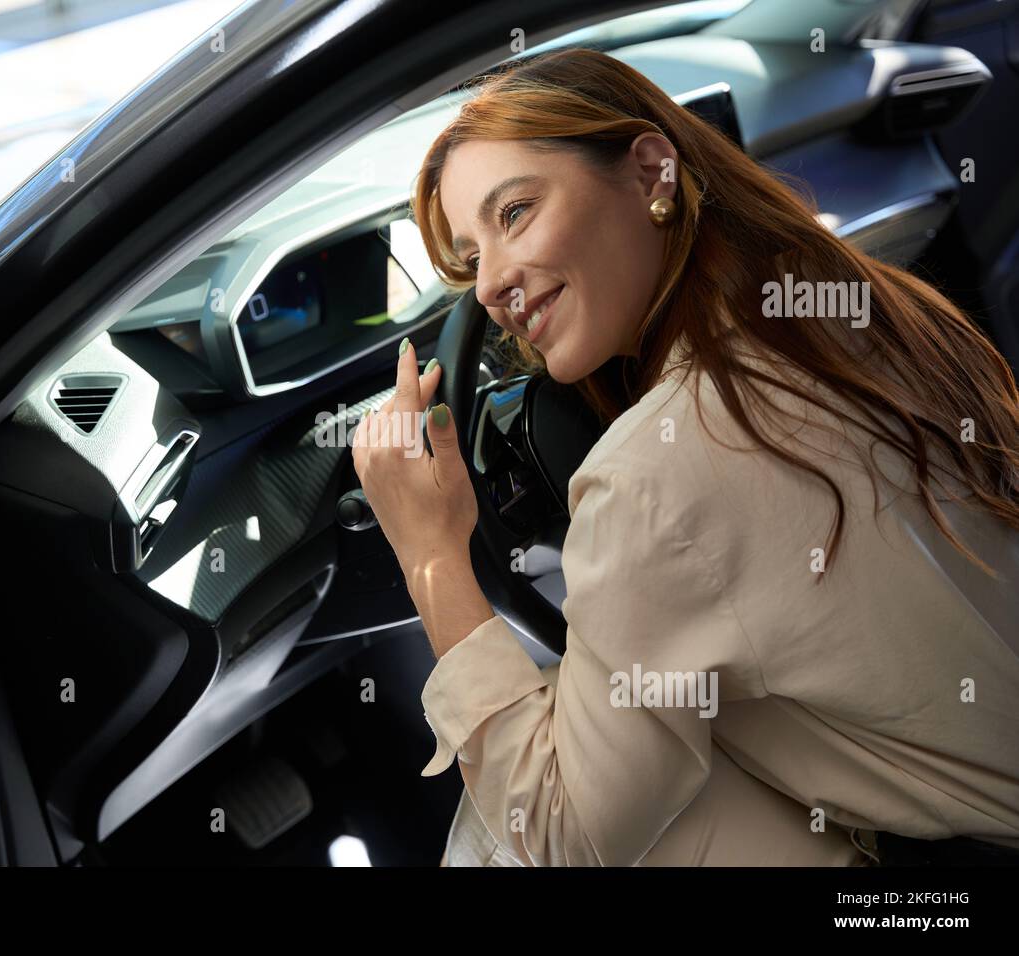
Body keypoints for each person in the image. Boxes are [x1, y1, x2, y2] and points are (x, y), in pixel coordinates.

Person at [350, 48, 1019, 866]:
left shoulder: (652, 476)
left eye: (515, 213)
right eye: (470, 257)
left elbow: (560, 839)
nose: (488, 286)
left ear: (651, 173)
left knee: (499, 840)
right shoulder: (854, 304)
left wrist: (428, 555)